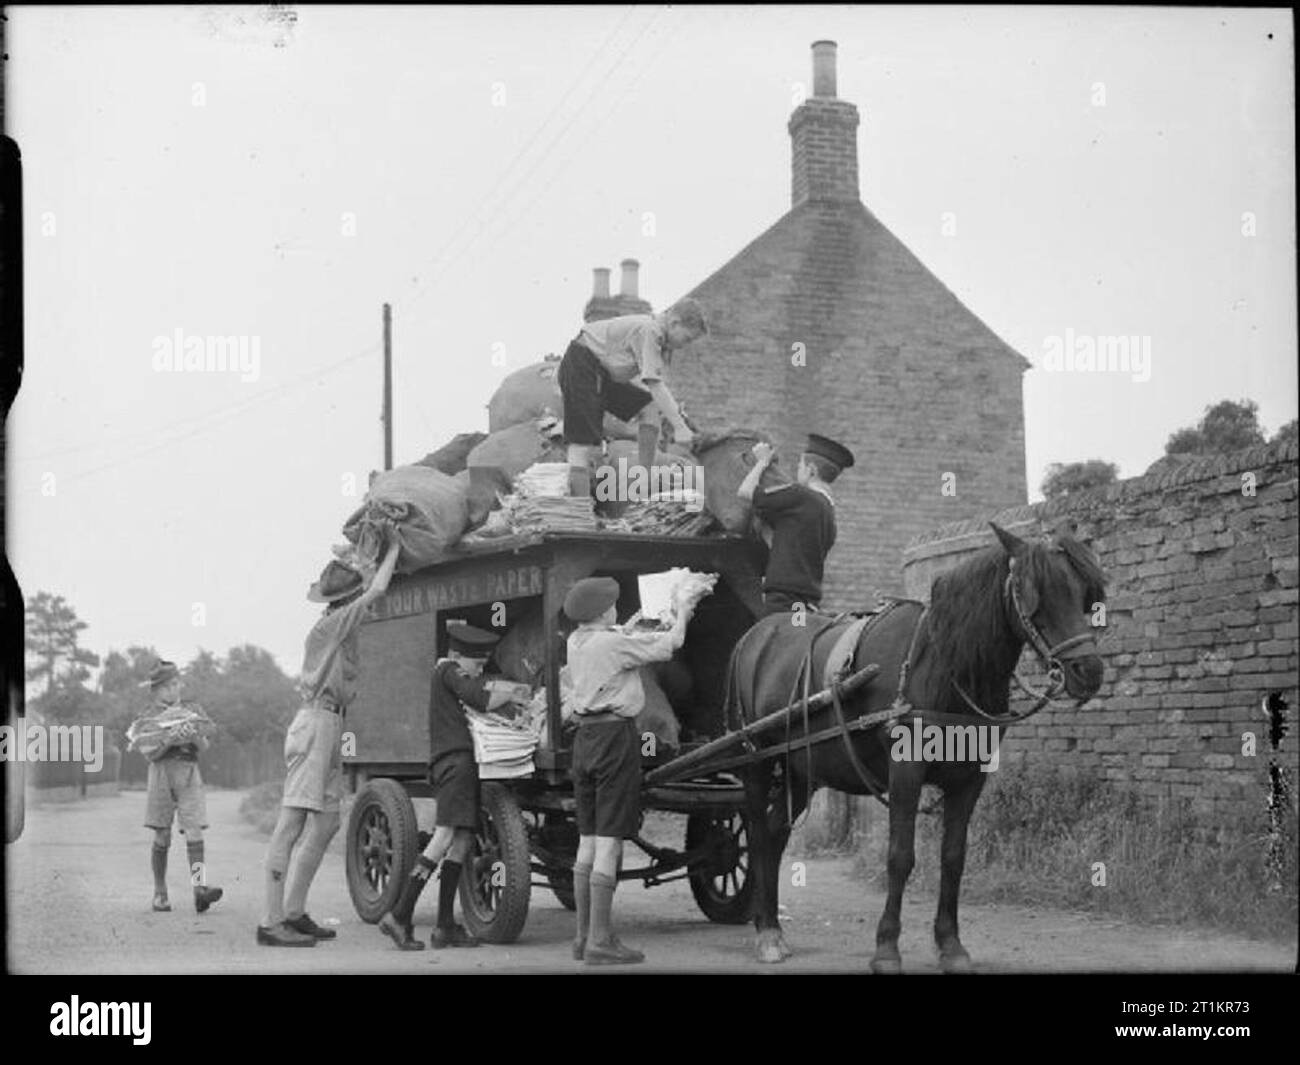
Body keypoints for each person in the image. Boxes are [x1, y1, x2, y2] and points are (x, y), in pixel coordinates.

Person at [257, 537, 401, 947]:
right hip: (316, 723)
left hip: (330, 723)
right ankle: (270, 922)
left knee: (328, 822)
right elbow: (376, 591)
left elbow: (369, 592)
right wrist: (393, 550)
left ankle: (294, 911)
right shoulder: (331, 624)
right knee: (292, 824)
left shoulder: (337, 620)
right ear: (347, 598)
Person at [563, 576, 689, 965]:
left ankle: (583, 938)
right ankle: (602, 941)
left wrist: (628, 629)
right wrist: (683, 610)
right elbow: (671, 645)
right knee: (610, 841)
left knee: (587, 840)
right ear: (604, 612)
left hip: (584, 740)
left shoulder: (577, 641)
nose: (617, 608)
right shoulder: (614, 643)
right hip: (616, 739)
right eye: (613, 604)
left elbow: (613, 640)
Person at [378, 620, 505, 951]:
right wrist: (510, 692)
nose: (478, 671)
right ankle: (400, 916)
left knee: (461, 840)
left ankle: (445, 926)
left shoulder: (448, 672)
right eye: (476, 664)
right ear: (459, 656)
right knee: (444, 837)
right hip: (456, 763)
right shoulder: (449, 670)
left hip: (459, 763)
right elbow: (476, 696)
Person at [558, 299, 708, 497]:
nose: (685, 345)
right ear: (674, 323)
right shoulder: (650, 330)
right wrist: (680, 427)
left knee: (649, 407)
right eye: (687, 339)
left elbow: (651, 384)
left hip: (603, 372)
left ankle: (645, 480)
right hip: (583, 365)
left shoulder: (659, 337)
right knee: (582, 445)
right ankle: (580, 512)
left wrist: (677, 417)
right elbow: (654, 383)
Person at [131, 660, 223, 914]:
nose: (175, 689)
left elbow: (205, 745)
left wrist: (192, 734)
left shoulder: (192, 709)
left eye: (176, 683)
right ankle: (160, 892)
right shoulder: (147, 715)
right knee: (162, 834)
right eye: (168, 686)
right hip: (161, 772)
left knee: (194, 830)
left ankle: (200, 889)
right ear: (156, 689)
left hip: (189, 771)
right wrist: (168, 740)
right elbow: (148, 752)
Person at [737, 433, 855, 615]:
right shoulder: (828, 513)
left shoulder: (801, 496)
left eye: (800, 465)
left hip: (784, 600)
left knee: (767, 642)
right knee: (798, 636)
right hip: (805, 603)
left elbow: (745, 493)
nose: (798, 470)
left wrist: (762, 462)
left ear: (811, 470)